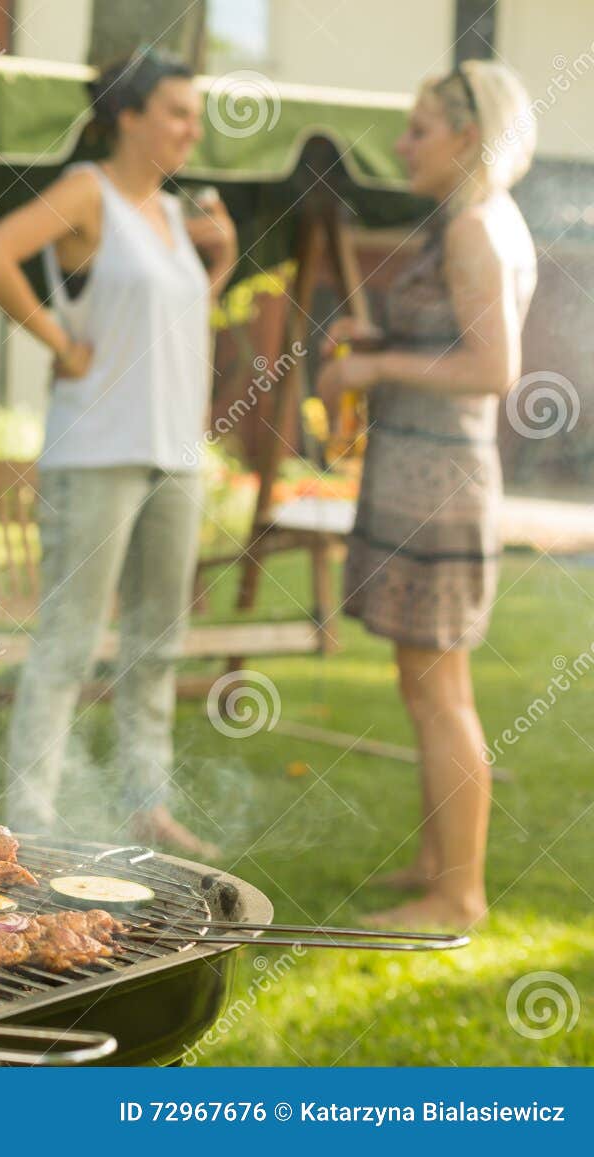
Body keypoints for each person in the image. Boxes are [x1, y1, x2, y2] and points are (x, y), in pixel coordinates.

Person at [0, 50, 236, 855]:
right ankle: (32, 824)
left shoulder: (171, 215)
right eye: (178, 112)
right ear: (130, 116)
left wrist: (217, 264)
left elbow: (168, 322)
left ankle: (145, 809)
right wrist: (57, 338)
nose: (193, 128)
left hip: (174, 455)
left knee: (159, 644)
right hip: (97, 453)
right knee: (70, 644)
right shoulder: (91, 192)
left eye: (195, 114)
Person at [317, 61, 537, 930]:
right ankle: (437, 863)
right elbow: (453, 337)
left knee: (442, 691)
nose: (404, 144)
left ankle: (460, 895)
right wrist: (376, 336)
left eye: (418, 128)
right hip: (419, 480)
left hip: (440, 485)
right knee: (423, 685)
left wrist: (372, 365)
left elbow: (493, 369)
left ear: (467, 137)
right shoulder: (468, 222)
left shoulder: (478, 226)